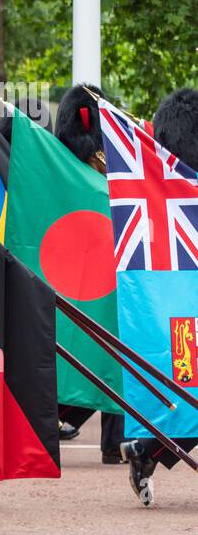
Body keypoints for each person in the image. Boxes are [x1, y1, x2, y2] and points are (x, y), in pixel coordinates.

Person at [109, 87, 198, 505]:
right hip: (183, 313)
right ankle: (146, 449)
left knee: (189, 391)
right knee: (190, 392)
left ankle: (145, 450)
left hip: (179, 316)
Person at [53, 84, 129, 469]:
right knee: (92, 353)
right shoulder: (82, 174)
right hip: (76, 273)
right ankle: (55, 420)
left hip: (99, 271)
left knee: (108, 353)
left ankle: (111, 440)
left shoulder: (97, 170)